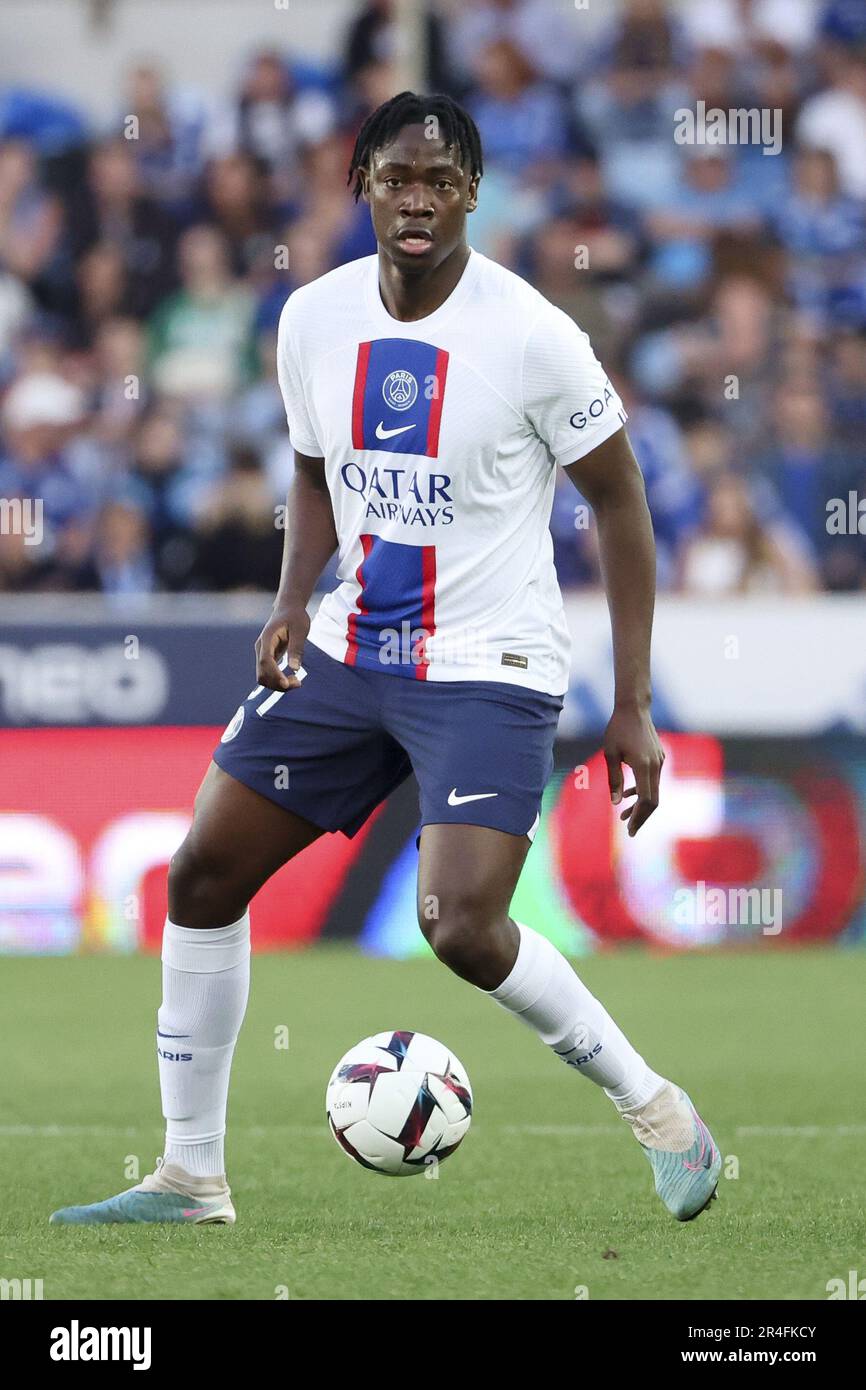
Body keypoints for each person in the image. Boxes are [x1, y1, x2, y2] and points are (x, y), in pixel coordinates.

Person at [50, 92, 720, 1228]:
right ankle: (190, 1176)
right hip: (351, 644)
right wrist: (287, 599)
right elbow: (315, 470)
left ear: (470, 194)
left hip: (487, 661)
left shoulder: (530, 334)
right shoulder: (310, 317)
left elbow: (619, 499)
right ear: (361, 181)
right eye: (396, 176)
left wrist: (636, 706)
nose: (417, 197)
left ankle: (657, 1110)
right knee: (201, 874)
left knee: (458, 925)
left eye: (441, 178)